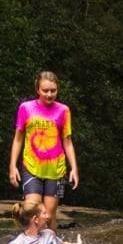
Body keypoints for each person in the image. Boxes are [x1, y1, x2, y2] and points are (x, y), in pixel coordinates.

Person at [8, 70, 78, 232]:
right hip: (31, 167)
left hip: (57, 170)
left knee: (49, 215)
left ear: (57, 90)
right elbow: (18, 139)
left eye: (53, 90)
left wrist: (74, 168)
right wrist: (12, 166)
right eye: (45, 90)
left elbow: (67, 142)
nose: (49, 94)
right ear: (37, 90)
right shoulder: (25, 108)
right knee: (33, 213)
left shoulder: (64, 110)